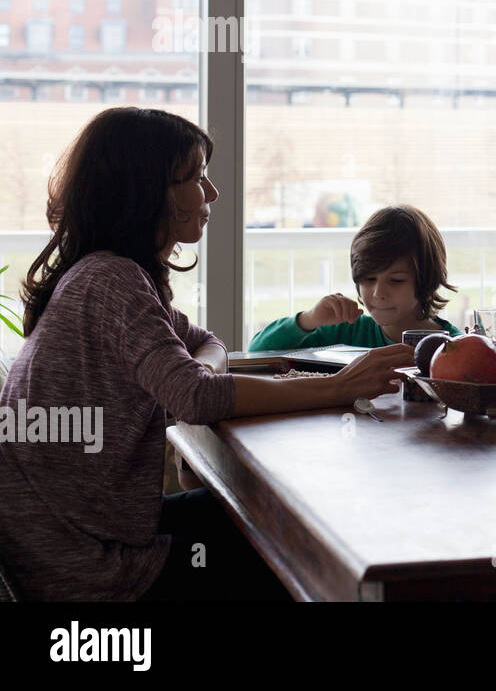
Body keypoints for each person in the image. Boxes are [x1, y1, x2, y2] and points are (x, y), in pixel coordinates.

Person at [0, 107, 412, 601]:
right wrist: (339, 387)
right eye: (196, 176)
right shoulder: (111, 281)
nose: (212, 192)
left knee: (272, 515)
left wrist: (200, 371)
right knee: (295, 548)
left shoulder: (111, 275)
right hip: (91, 570)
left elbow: (206, 345)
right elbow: (196, 398)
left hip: (92, 537)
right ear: (146, 190)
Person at [248, 205, 460, 351]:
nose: (378, 293)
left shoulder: (456, 345)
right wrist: (309, 319)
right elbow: (257, 350)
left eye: (396, 280)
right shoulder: (346, 333)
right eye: (369, 280)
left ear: (427, 279)